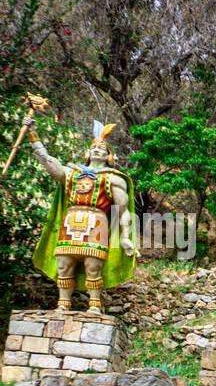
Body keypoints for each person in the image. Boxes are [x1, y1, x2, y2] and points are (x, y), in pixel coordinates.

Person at [24, 116, 138, 312]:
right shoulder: (71, 172)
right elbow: (48, 161)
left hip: (97, 222)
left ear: (109, 156)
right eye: (94, 147)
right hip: (71, 220)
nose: (97, 150)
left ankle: (94, 305)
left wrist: (125, 237)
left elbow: (122, 209)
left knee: (93, 267)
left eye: (102, 149)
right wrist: (33, 135)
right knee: (64, 265)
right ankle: (63, 304)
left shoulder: (113, 178)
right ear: (87, 152)